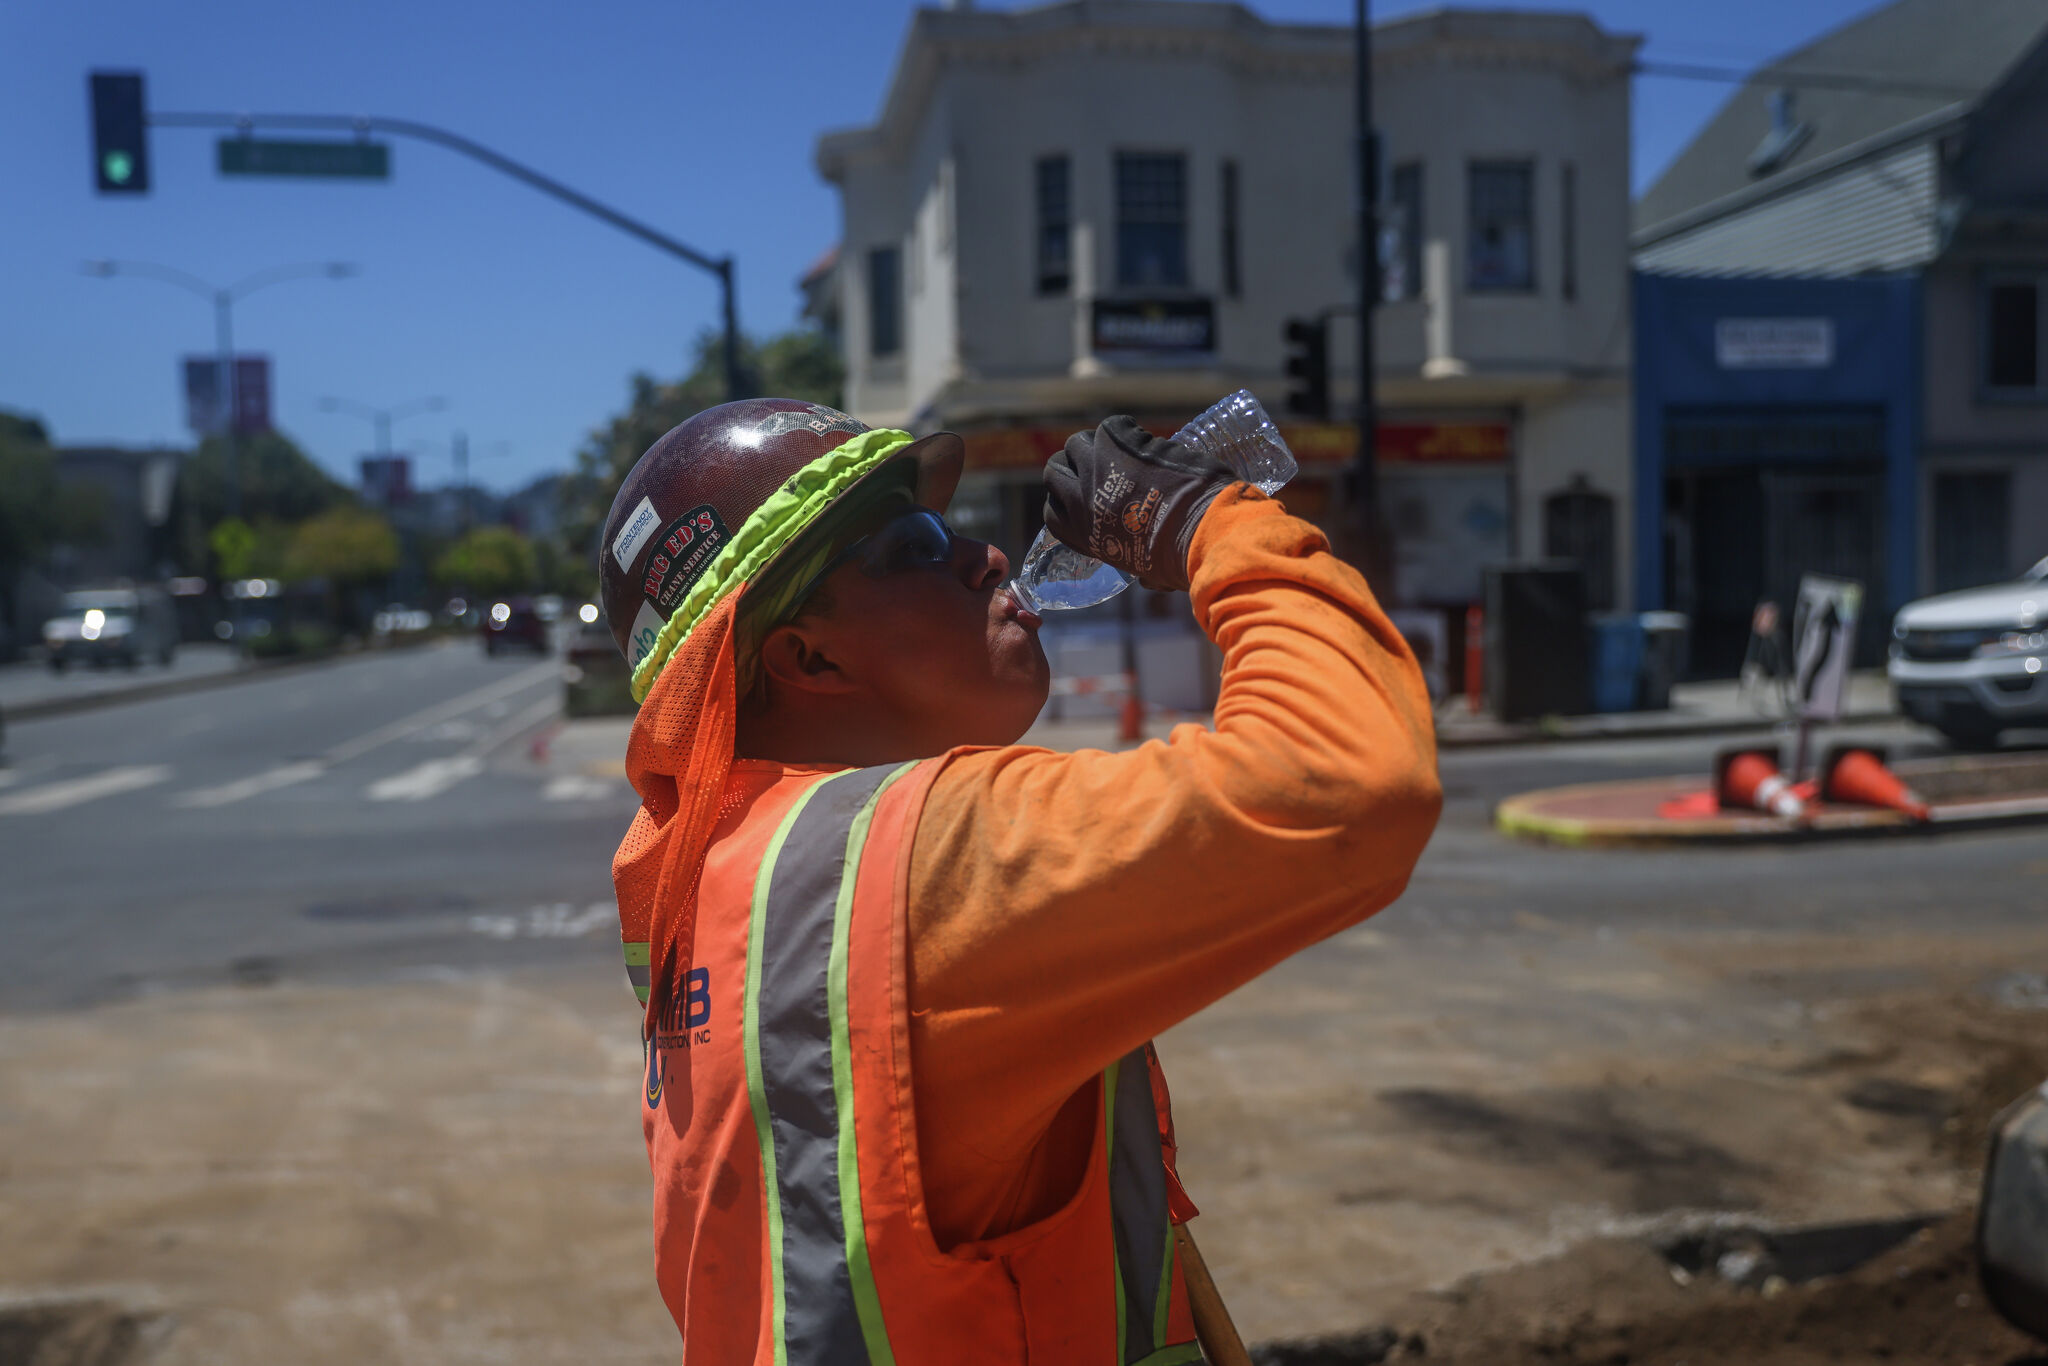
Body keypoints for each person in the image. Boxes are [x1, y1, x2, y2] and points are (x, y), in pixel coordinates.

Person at [600, 397, 1440, 1364]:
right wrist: (1211, 522)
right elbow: (1349, 781)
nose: (987, 558)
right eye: (916, 545)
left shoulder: (723, 879)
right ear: (808, 655)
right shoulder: (928, 857)